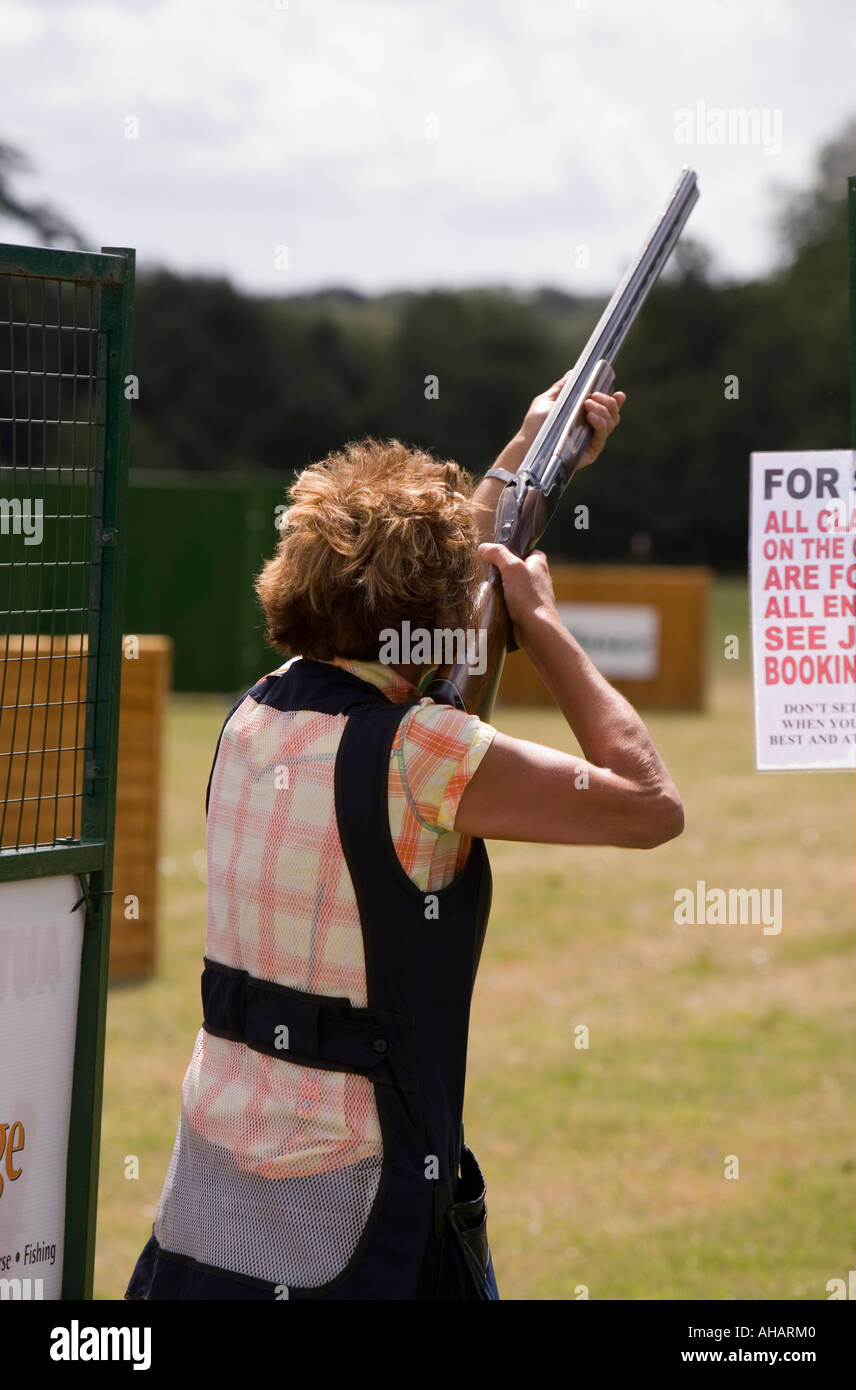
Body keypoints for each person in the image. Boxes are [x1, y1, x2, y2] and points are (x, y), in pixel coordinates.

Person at [125, 378, 683, 1301]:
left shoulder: (256, 712)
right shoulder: (422, 750)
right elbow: (649, 804)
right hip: (359, 1207)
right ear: (424, 619)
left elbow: (410, 590)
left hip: (214, 1187)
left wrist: (530, 448)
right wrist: (541, 623)